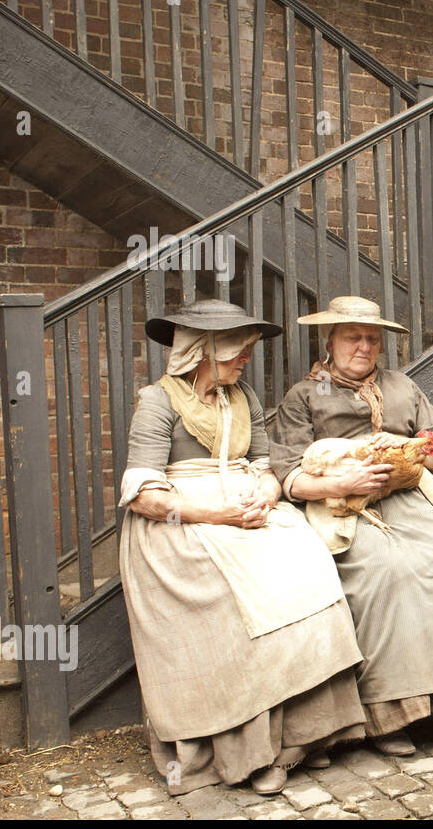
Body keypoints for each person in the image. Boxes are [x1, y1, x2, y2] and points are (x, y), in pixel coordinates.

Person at [118, 300, 366, 797]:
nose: (245, 358)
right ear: (204, 349)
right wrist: (218, 515)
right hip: (180, 523)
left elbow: (266, 465)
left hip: (247, 509)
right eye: (239, 349)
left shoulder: (242, 396)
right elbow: (143, 494)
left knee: (308, 563)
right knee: (236, 604)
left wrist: (268, 496)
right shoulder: (158, 401)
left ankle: (305, 737)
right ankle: (252, 754)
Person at [271, 296, 433, 756]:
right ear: (330, 340)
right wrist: (340, 479)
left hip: (413, 496)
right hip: (345, 508)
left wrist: (409, 446)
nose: (364, 346)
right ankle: (390, 715)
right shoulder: (304, 397)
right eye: (353, 337)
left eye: (372, 338)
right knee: (384, 572)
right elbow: (286, 475)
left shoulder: (402, 387)